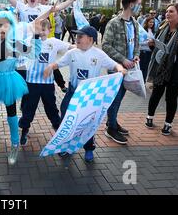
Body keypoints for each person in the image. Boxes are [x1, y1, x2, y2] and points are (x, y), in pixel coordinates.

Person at [44, 26, 126, 162]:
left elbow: (114, 65)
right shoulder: (72, 53)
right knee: (66, 116)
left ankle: (89, 148)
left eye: (80, 36)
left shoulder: (99, 54)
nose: (77, 38)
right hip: (73, 92)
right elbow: (58, 63)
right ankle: (65, 146)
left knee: (88, 122)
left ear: (90, 39)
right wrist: (50, 67)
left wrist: (120, 69)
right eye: (76, 36)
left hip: (90, 95)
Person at [0, 10, 43, 165]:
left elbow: (33, 54)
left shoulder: (15, 43)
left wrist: (36, 35)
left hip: (9, 80)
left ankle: (14, 146)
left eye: (6, 25)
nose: (3, 28)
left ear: (11, 27)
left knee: (12, 115)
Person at [19, 19, 74, 146]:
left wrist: (83, 47)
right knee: (29, 107)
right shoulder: (30, 41)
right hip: (31, 82)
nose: (42, 32)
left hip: (47, 83)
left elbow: (70, 47)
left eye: (44, 29)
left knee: (51, 107)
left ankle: (58, 128)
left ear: (50, 30)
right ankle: (24, 129)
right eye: (39, 29)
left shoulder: (54, 42)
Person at [145, 3, 178, 135]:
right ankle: (149, 117)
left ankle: (168, 124)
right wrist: (152, 45)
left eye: (171, 11)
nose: (167, 13)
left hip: (177, 70)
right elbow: (158, 48)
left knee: (171, 98)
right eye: (167, 11)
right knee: (156, 94)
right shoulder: (163, 27)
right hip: (160, 68)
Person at [102, 0, 141, 145]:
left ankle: (112, 122)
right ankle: (111, 128)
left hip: (130, 68)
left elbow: (137, 43)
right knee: (115, 98)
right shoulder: (114, 23)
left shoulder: (135, 22)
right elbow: (105, 45)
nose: (140, 5)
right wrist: (123, 60)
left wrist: (136, 55)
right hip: (116, 68)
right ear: (131, 4)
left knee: (119, 98)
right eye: (138, 3)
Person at [139, 17, 155, 82]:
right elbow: (139, 42)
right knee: (141, 68)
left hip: (149, 52)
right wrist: (147, 43)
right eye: (150, 22)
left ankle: (144, 82)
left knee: (146, 69)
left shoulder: (152, 31)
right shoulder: (142, 31)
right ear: (146, 22)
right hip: (143, 52)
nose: (152, 23)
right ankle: (140, 82)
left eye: (153, 22)